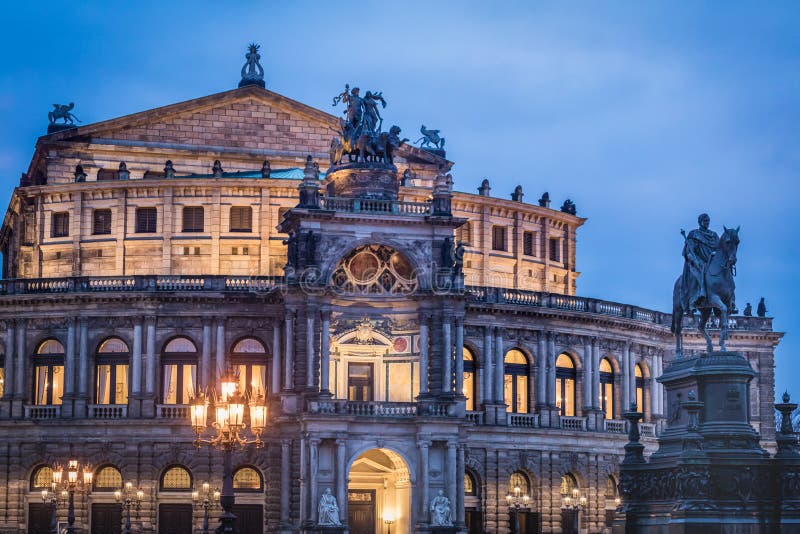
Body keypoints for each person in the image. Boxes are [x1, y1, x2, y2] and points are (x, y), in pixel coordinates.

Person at [681, 213, 719, 310]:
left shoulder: (714, 235)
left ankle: (731, 300)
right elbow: (688, 251)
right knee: (702, 270)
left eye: (708, 221)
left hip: (713, 261)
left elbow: (719, 250)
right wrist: (694, 260)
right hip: (699, 261)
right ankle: (699, 294)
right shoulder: (694, 234)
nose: (707, 223)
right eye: (705, 221)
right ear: (700, 222)